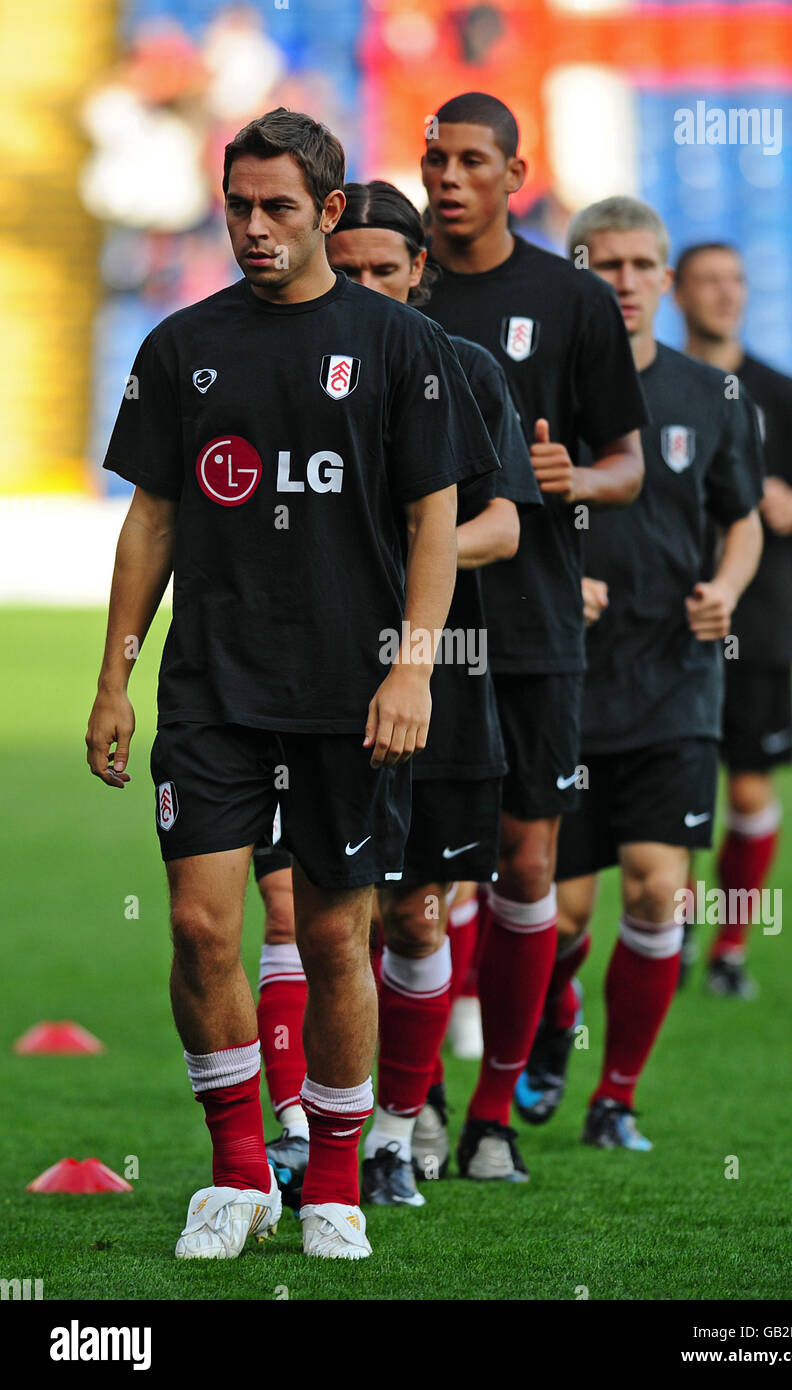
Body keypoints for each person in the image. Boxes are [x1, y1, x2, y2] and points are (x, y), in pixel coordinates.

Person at [85, 108, 499, 1261]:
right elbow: (153, 517)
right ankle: (232, 1177)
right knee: (201, 927)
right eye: (237, 206)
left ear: (326, 210)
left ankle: (331, 1184)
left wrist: (409, 669)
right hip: (212, 686)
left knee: (332, 937)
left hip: (348, 691)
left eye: (276, 208)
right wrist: (114, 677)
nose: (253, 228)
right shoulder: (179, 345)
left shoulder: (398, 346)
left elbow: (434, 521)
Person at [253, 178, 541, 1209]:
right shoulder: (280, 358)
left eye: (387, 267)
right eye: (355, 266)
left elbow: (504, 524)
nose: (368, 283)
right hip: (303, 681)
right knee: (298, 910)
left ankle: (389, 1131)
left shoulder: (460, 370)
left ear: (420, 272)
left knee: (415, 919)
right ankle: (291, 1131)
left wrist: (395, 559)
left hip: (439, 680)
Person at [420, 92, 646, 1180]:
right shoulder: (382, 283)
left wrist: (574, 479)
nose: (448, 177)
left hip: (530, 625)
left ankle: (491, 1114)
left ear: (515, 173)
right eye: (435, 158)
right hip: (403, 627)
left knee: (525, 862)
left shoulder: (568, 300)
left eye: (472, 160)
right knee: (406, 878)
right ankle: (396, 1107)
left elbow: (626, 460)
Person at [517, 197, 763, 1147]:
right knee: (563, 911)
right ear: (580, 274)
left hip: (675, 683)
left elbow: (738, 516)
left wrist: (728, 588)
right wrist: (553, 582)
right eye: (603, 265)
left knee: (658, 888)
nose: (623, 282)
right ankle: (549, 1018)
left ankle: (615, 1096)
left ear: (665, 278)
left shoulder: (712, 396)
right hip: (565, 683)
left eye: (639, 265)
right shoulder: (543, 386)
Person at [674, 242, 792, 996]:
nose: (724, 293)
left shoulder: (782, 389)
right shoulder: (653, 387)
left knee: (745, 790)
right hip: (668, 612)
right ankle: (668, 931)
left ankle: (731, 945)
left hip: (763, 610)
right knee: (672, 788)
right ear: (678, 292)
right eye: (708, 280)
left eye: (735, 280)